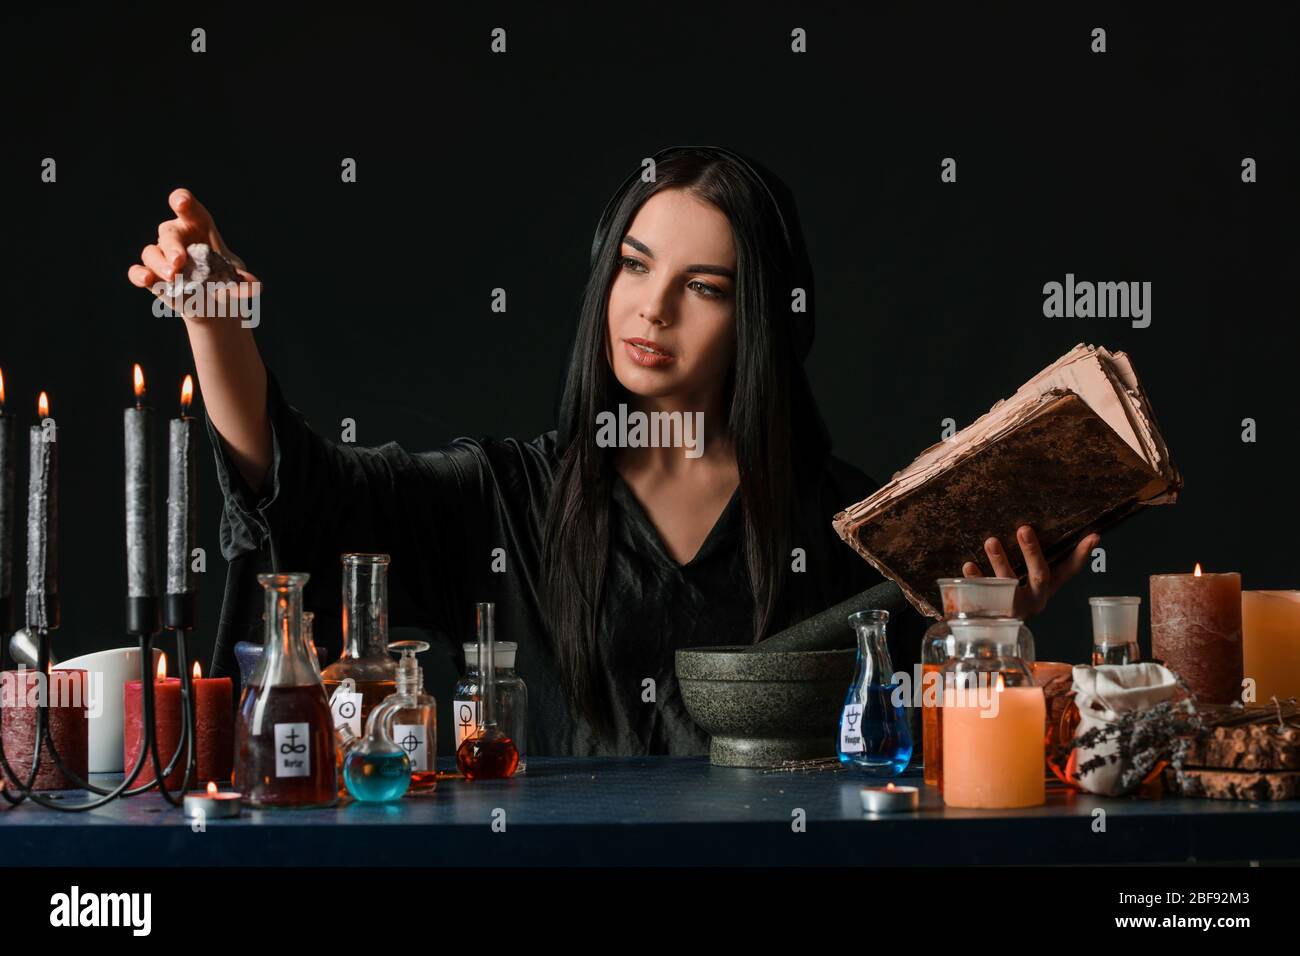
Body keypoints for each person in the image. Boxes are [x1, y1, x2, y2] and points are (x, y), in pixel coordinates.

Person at [127, 145, 1098, 756]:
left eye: (704, 286)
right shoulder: (505, 498)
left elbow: (916, 753)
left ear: (760, 321)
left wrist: (986, 632)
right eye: (634, 266)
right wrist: (216, 319)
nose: (652, 307)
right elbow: (299, 492)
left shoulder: (849, 526)